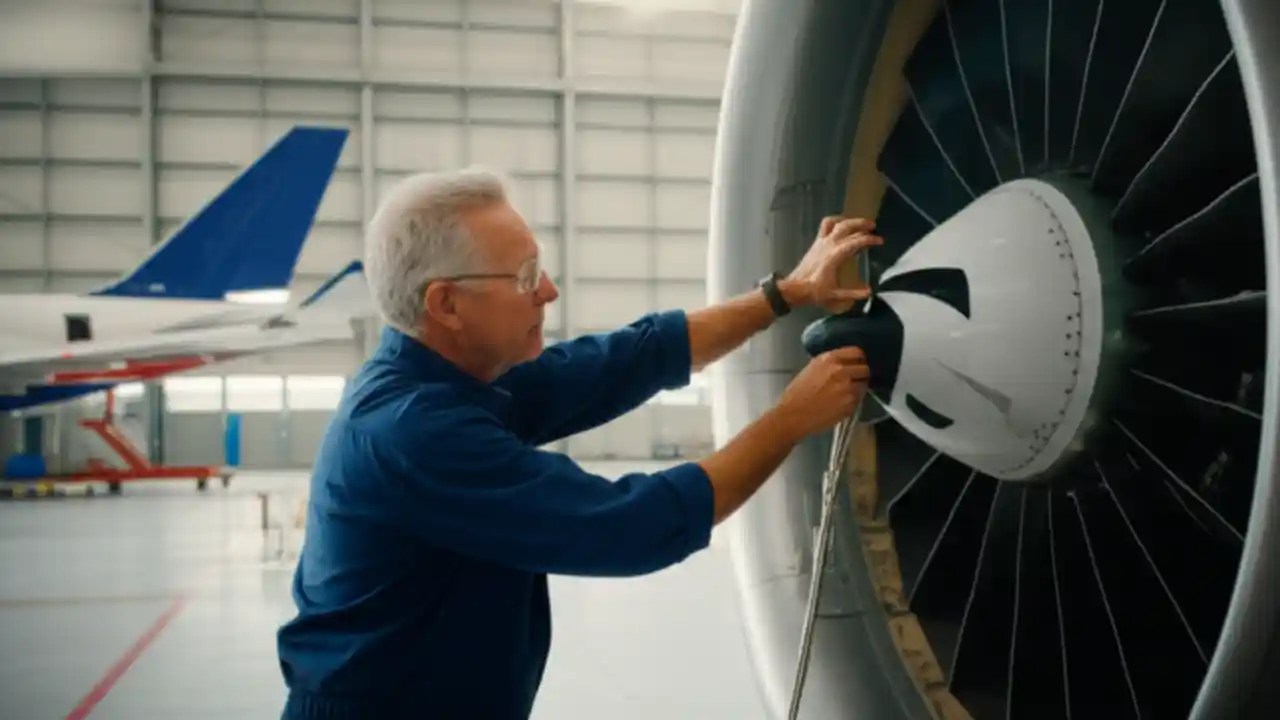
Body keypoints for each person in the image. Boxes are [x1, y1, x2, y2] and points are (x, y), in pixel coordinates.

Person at [276, 167, 880, 719]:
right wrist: (792, 419)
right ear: (446, 304)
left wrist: (787, 293)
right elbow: (632, 525)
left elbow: (627, 359)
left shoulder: (449, 380)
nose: (548, 292)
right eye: (524, 277)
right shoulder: (415, 433)